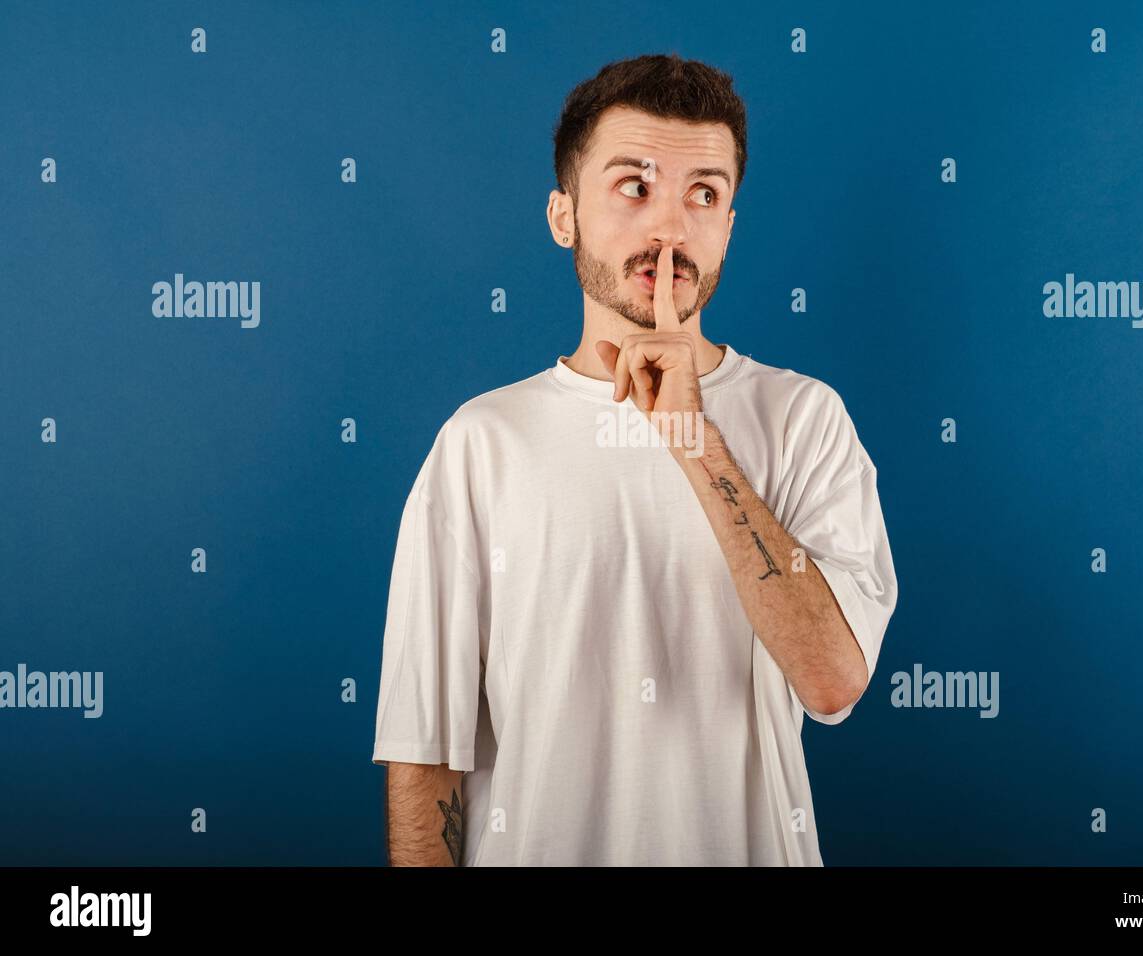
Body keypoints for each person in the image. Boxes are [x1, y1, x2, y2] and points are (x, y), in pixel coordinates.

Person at [372, 53, 899, 866]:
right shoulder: (480, 443)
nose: (671, 228)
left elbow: (832, 681)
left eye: (705, 194)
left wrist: (694, 438)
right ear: (562, 215)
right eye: (634, 185)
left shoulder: (804, 419)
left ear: (730, 224)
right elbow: (425, 755)